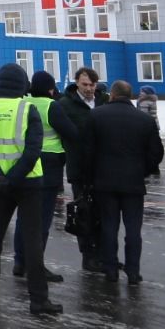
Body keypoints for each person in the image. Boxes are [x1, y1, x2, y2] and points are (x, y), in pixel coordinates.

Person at [0, 63, 61, 315]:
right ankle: (38, 300)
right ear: (23, 84)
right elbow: (33, 151)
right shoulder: (27, 108)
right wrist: (15, 176)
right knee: (32, 241)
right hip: (29, 183)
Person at [88, 81, 164, 285]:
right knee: (133, 229)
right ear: (130, 95)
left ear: (112, 94)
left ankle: (110, 269)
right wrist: (142, 170)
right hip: (133, 182)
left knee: (109, 226)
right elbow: (156, 152)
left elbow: (87, 150)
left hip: (104, 181)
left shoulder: (96, 116)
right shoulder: (144, 120)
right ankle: (133, 271)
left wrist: (93, 172)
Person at [13, 70, 76, 284]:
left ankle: (20, 262)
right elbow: (71, 133)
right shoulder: (51, 106)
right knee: (42, 220)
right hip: (48, 166)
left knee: (24, 216)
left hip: (25, 164)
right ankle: (36, 266)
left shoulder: (23, 103)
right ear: (50, 88)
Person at [58, 65, 106, 272]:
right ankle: (88, 256)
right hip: (79, 167)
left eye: (92, 85)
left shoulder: (103, 101)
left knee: (104, 213)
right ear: (77, 82)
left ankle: (104, 254)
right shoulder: (65, 104)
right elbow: (66, 133)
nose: (89, 88)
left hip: (103, 167)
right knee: (84, 213)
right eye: (85, 84)